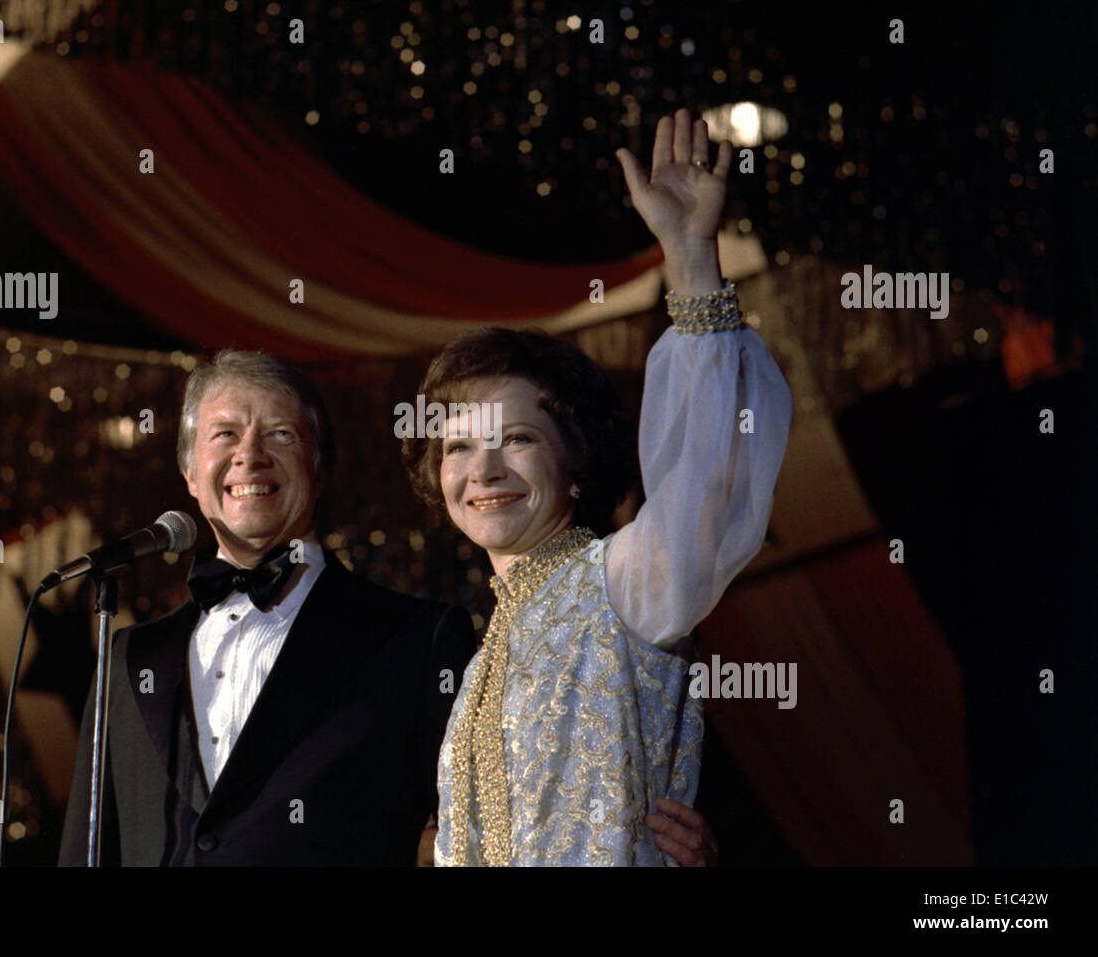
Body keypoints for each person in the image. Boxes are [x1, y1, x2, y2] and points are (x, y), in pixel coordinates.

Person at [58, 350, 716, 865]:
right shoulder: (126, 657)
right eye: (224, 433)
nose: (249, 455)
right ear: (189, 473)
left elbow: (563, 786)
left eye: (280, 432)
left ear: (321, 467)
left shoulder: (421, 638)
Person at [401, 108, 792, 865]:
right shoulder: (483, 656)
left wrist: (691, 261)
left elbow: (705, 480)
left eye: (516, 438)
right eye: (458, 446)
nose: (483, 471)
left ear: (574, 455)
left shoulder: (622, 581)